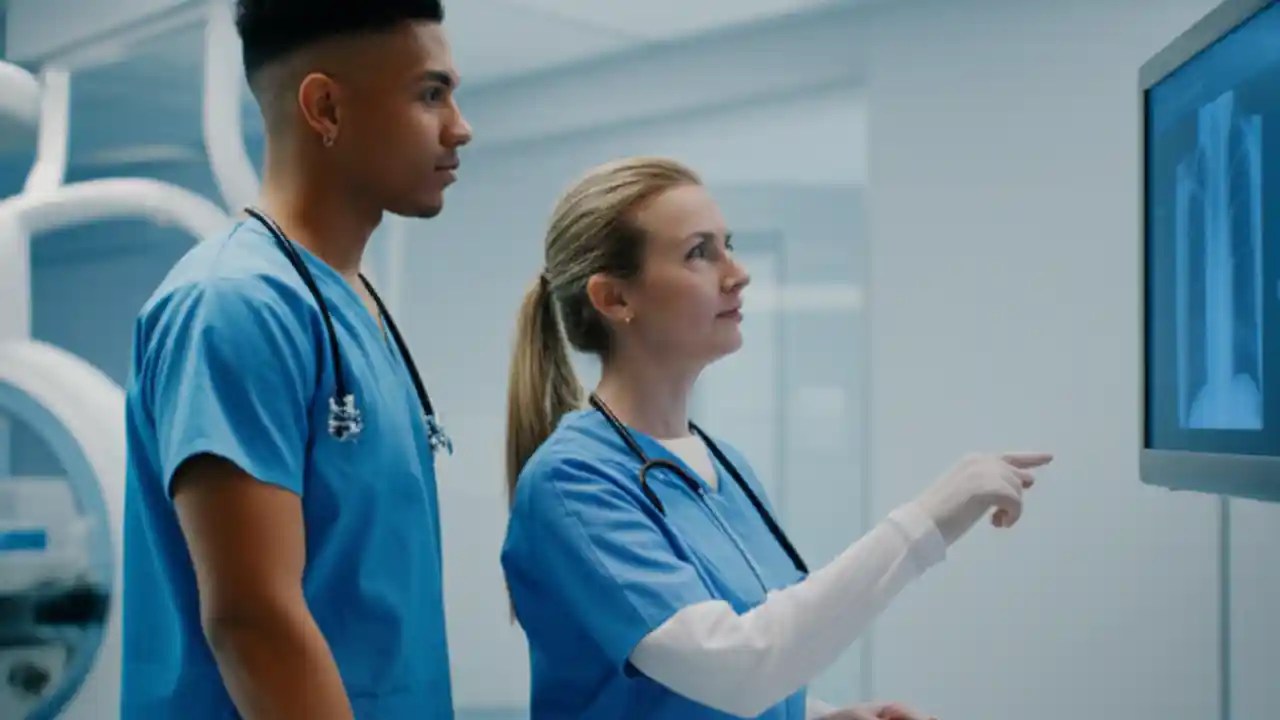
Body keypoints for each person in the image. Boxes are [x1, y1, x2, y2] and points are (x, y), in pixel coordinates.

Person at [500, 156, 1052, 719]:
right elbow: (737, 669)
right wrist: (930, 518)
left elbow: (711, 685)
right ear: (615, 299)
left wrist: (819, 717)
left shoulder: (725, 468)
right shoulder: (573, 484)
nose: (738, 273)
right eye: (699, 252)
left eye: (728, 245)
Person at [119, 1, 471, 718]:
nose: (459, 127)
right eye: (430, 94)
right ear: (325, 107)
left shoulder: (349, 303)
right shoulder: (234, 304)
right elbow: (253, 623)